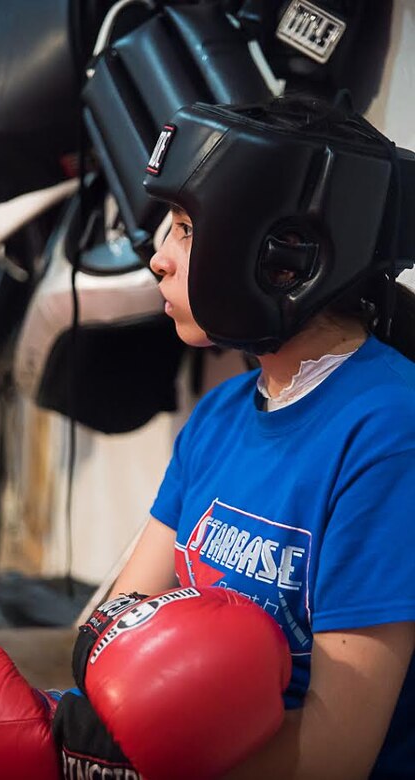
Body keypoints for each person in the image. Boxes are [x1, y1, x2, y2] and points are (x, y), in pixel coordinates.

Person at [101, 96, 415, 779]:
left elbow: (334, 756)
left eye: (185, 228)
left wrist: (116, 764)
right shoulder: (220, 414)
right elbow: (114, 625)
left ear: (285, 255)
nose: (157, 257)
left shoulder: (391, 434)